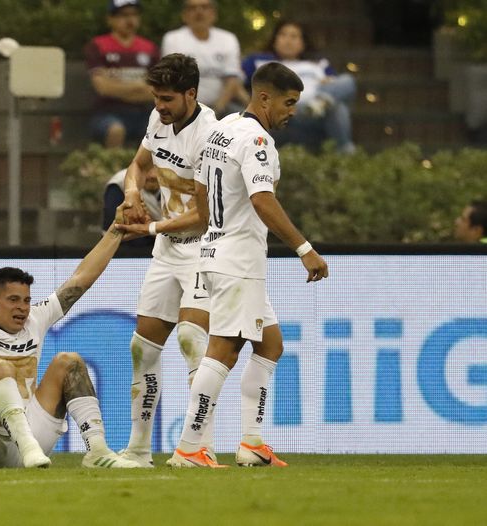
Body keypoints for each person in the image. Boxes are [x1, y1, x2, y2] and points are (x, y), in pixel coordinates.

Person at [168, 62, 329, 468]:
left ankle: (252, 443)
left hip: (217, 253)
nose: (292, 111)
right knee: (223, 348)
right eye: (288, 102)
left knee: (270, 344)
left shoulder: (220, 130)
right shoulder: (258, 140)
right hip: (238, 260)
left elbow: (202, 193)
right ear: (264, 97)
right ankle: (189, 446)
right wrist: (303, 247)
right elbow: (262, 199)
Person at [0, 202, 139, 469]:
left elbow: (81, 280)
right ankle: (28, 447)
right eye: (13, 300)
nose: (22, 307)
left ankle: (97, 451)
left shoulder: (35, 319)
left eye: (26, 300)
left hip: (34, 432)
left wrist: (116, 231)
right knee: (0, 368)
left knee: (70, 361)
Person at [113, 53, 218, 467]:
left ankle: (197, 448)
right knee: (143, 349)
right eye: (156, 97)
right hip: (167, 249)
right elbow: (136, 168)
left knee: (193, 341)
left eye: (168, 98)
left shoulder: (210, 135)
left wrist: (152, 228)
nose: (160, 106)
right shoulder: (157, 121)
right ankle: (139, 450)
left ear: (191, 94)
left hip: (204, 246)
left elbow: (207, 213)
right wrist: (133, 196)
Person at [242, 19, 357, 154]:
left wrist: (328, 82)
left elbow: (336, 85)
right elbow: (237, 81)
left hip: (315, 114)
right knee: (336, 106)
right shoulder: (258, 60)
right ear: (275, 40)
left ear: (303, 43)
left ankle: (319, 103)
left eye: (294, 36)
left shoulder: (318, 63)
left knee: (347, 81)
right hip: (288, 110)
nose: (288, 41)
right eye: (283, 35)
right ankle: (346, 152)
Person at [84, 0, 160, 148]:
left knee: (164, 130)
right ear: (110, 19)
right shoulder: (98, 46)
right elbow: (103, 88)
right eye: (123, 15)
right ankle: (112, 168)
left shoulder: (150, 48)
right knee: (115, 130)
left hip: (144, 111)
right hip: (108, 112)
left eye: (134, 15)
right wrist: (138, 87)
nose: (129, 20)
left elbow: (157, 90)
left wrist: (118, 87)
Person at [161, 0, 249, 117]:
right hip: (184, 108)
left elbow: (232, 80)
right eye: (193, 8)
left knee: (248, 123)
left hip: (221, 107)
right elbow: (172, 80)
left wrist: (216, 111)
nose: (199, 12)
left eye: (204, 7)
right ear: (184, 15)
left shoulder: (228, 39)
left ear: (214, 13)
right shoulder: (173, 39)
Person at [102, 167, 161, 248]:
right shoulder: (119, 184)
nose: (152, 175)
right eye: (148, 170)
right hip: (127, 247)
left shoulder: (176, 181)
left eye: (157, 169)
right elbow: (111, 233)